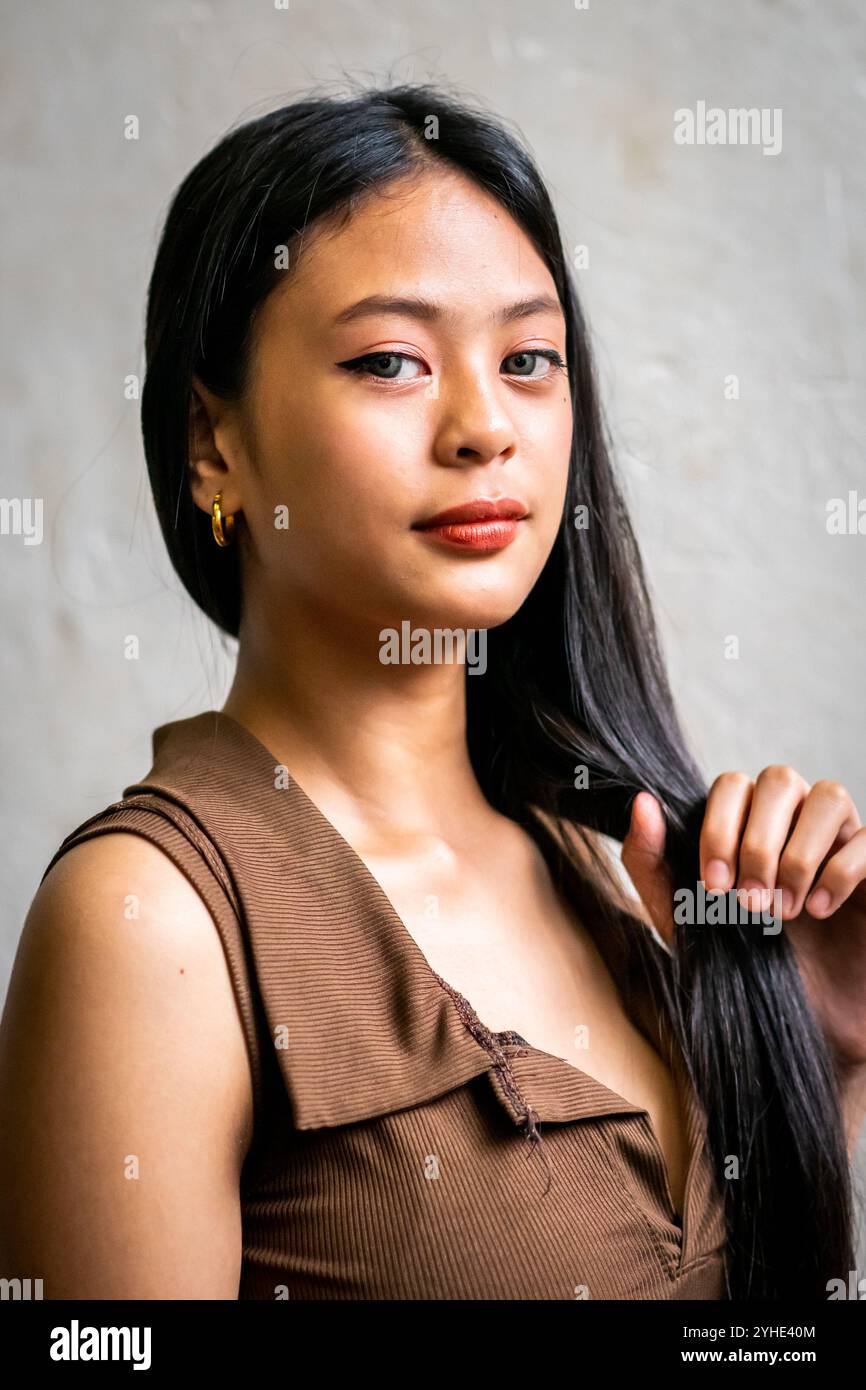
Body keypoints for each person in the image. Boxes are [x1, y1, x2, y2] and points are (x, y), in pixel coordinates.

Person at [1, 81, 864, 1301]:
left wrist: (812, 1062)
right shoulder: (151, 925)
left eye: (527, 359)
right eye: (391, 361)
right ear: (213, 444)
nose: (483, 427)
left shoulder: (598, 854)